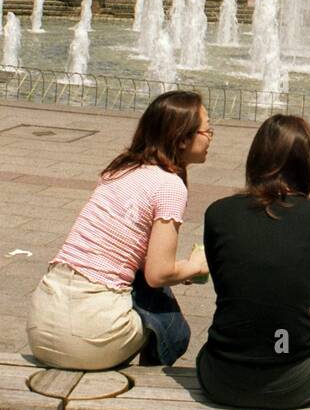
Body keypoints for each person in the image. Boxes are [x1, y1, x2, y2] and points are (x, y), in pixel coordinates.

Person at [197, 115, 310, 410]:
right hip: (294, 383)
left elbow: (225, 287)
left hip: (222, 377)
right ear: (308, 164)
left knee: (238, 330)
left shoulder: (218, 212)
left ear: (256, 159)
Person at [27, 91, 210, 373]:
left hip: (41, 326)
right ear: (182, 138)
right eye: (206, 130)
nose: (210, 137)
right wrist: (193, 267)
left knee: (143, 279)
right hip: (90, 338)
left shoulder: (119, 169)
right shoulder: (170, 185)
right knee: (168, 315)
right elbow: (158, 273)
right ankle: (152, 378)